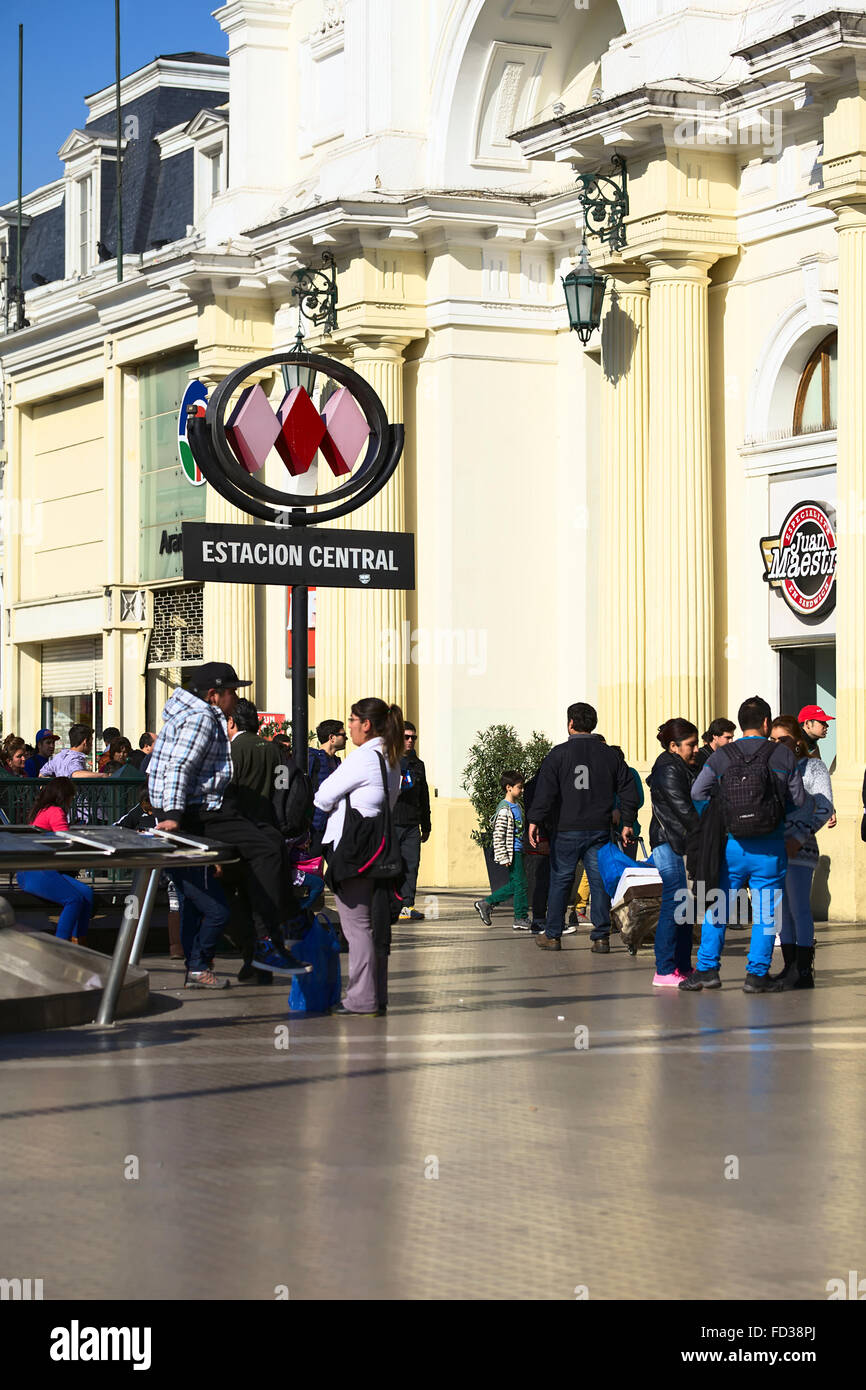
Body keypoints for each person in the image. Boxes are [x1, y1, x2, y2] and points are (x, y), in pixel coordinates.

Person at [147, 661, 309, 979]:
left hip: (210, 809)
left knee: (262, 854)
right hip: (201, 810)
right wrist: (172, 816)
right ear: (214, 695)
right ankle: (267, 942)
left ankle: (265, 944)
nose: (235, 699)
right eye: (232, 692)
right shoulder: (203, 718)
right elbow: (179, 767)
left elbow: (163, 767)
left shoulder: (189, 716)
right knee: (266, 848)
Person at [681, 695, 811, 993]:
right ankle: (756, 975)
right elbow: (800, 800)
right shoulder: (782, 756)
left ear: (741, 725)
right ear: (766, 723)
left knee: (719, 906)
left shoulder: (723, 755)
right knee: (767, 913)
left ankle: (707, 970)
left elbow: (698, 792)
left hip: (731, 845)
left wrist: (719, 815)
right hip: (770, 847)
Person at [314, 697, 403, 1016]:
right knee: (374, 924)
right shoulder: (392, 759)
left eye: (352, 720)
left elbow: (323, 796)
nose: (348, 726)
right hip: (379, 851)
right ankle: (376, 995)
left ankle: (361, 999)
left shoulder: (363, 757)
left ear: (366, 724)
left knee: (357, 927)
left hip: (352, 850)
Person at [528, 702, 638, 952]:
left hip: (566, 828)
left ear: (570, 724)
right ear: (593, 724)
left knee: (561, 881)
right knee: (598, 882)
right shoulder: (609, 754)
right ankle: (601, 937)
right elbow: (628, 788)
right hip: (599, 829)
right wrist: (627, 821)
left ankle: (553, 935)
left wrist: (535, 820)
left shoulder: (558, 754)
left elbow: (545, 792)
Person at [768, 715, 833, 990]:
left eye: (781, 739)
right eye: (772, 739)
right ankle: (789, 965)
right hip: (774, 848)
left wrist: (800, 835)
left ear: (795, 741)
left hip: (800, 848)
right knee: (780, 911)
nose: (775, 744)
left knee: (799, 908)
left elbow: (824, 807)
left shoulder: (813, 767)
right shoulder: (771, 768)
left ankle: (804, 970)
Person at [646, 718, 702, 987]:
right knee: (675, 900)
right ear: (673, 746)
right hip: (668, 840)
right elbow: (683, 809)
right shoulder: (668, 769)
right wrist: (705, 833)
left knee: (685, 905)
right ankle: (664, 969)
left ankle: (681, 966)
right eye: (691, 745)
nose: (696, 749)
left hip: (678, 840)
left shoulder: (682, 765)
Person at [16, 778, 93, 944]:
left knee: (87, 893)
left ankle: (78, 940)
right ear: (64, 796)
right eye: (71, 797)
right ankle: (61, 944)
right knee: (74, 899)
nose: (72, 801)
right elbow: (66, 840)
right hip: (38, 871)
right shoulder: (56, 811)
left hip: (31, 870)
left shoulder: (42, 809)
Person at [473, 771, 530, 929]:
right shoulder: (505, 810)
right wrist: (503, 857)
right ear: (508, 788)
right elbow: (498, 836)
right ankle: (520, 918)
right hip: (513, 852)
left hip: (519, 850)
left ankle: (485, 903)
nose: (522, 790)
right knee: (521, 885)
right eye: (519, 787)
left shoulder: (516, 806)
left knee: (516, 884)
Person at [394, 721, 431, 922]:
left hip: (411, 824)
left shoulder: (418, 765)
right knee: (391, 866)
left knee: (411, 864)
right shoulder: (389, 761)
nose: (410, 741)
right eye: (406, 737)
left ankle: (407, 905)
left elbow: (423, 796)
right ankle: (390, 904)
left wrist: (426, 825)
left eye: (413, 737)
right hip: (391, 823)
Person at [308, 719, 347, 854]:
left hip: (334, 826)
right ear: (332, 738)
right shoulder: (313, 758)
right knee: (312, 867)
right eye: (343, 735)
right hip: (315, 826)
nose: (347, 738)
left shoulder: (337, 761)